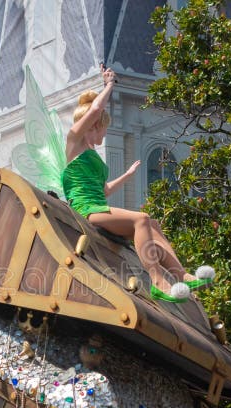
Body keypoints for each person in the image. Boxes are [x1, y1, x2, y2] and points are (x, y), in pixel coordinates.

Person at [61, 65, 213, 303]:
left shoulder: (92, 157)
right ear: (95, 125)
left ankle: (181, 274)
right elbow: (97, 107)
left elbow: (104, 191)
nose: (103, 134)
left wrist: (127, 176)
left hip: (98, 207)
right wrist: (109, 83)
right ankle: (158, 281)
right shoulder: (73, 143)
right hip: (85, 210)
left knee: (151, 223)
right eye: (103, 127)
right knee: (140, 219)